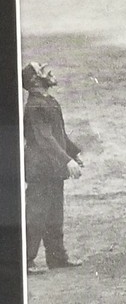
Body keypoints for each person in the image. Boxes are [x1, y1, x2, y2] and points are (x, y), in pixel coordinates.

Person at [22, 62, 83, 274]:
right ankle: (26, 261)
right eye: (44, 72)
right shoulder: (35, 106)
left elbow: (59, 135)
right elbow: (45, 139)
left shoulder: (49, 102)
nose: (50, 73)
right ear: (34, 81)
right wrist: (67, 160)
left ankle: (56, 258)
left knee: (55, 214)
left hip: (53, 168)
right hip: (40, 169)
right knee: (35, 214)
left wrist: (72, 154)